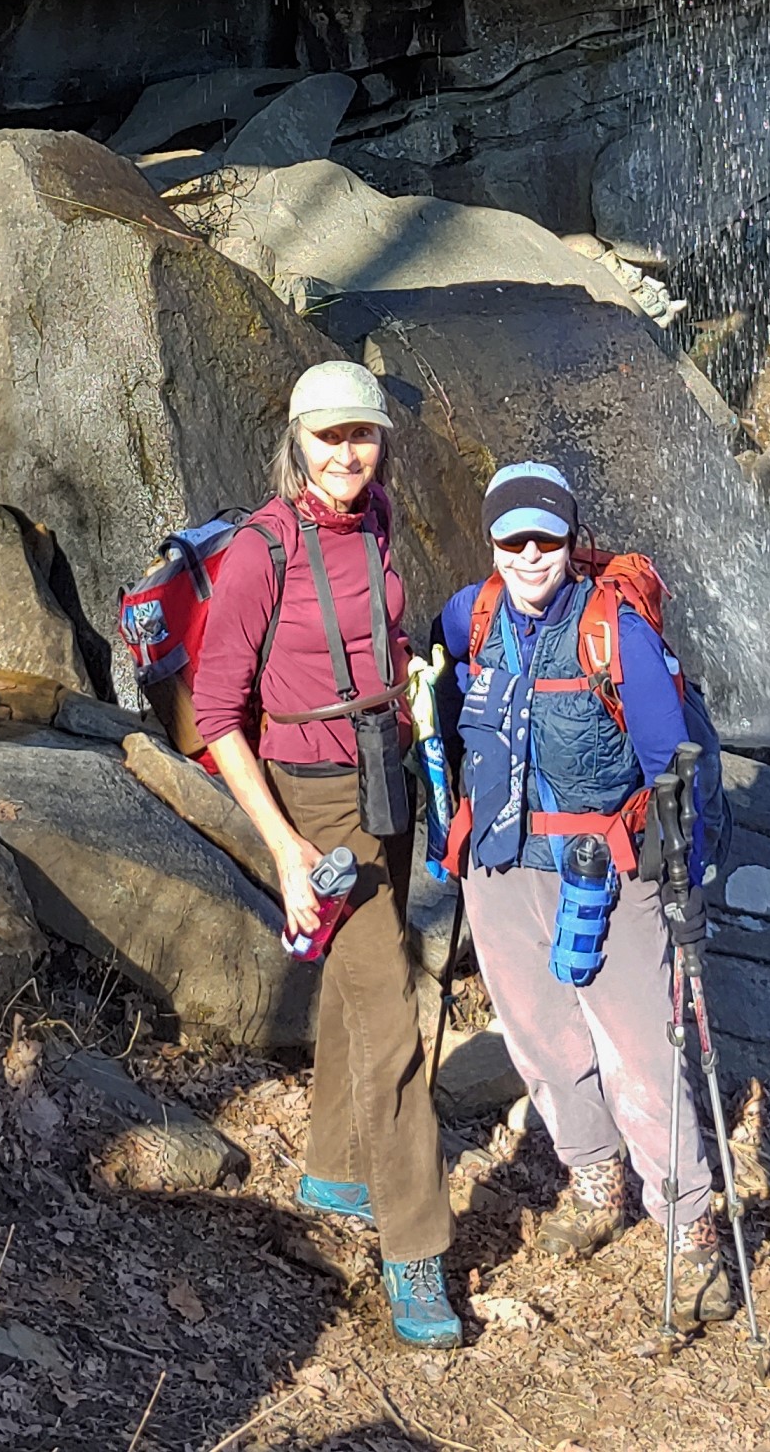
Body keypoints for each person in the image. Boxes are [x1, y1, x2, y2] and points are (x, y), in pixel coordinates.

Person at [192, 357, 459, 1349]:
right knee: (391, 1012)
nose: (347, 452)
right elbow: (217, 715)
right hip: (312, 794)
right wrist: (287, 849)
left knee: (366, 972)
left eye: (362, 434)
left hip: (387, 770)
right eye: (329, 436)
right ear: (296, 442)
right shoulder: (261, 551)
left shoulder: (377, 517)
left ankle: (338, 1168)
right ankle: (417, 1252)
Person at [435, 460, 735, 1321]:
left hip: (607, 870)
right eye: (513, 540)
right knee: (540, 1039)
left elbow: (673, 766)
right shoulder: (471, 613)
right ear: (491, 543)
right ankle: (595, 1183)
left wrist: (686, 877)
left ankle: (691, 1231)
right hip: (499, 865)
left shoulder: (616, 633)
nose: (530, 555)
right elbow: (436, 687)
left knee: (642, 1054)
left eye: (547, 538)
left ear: (571, 539)